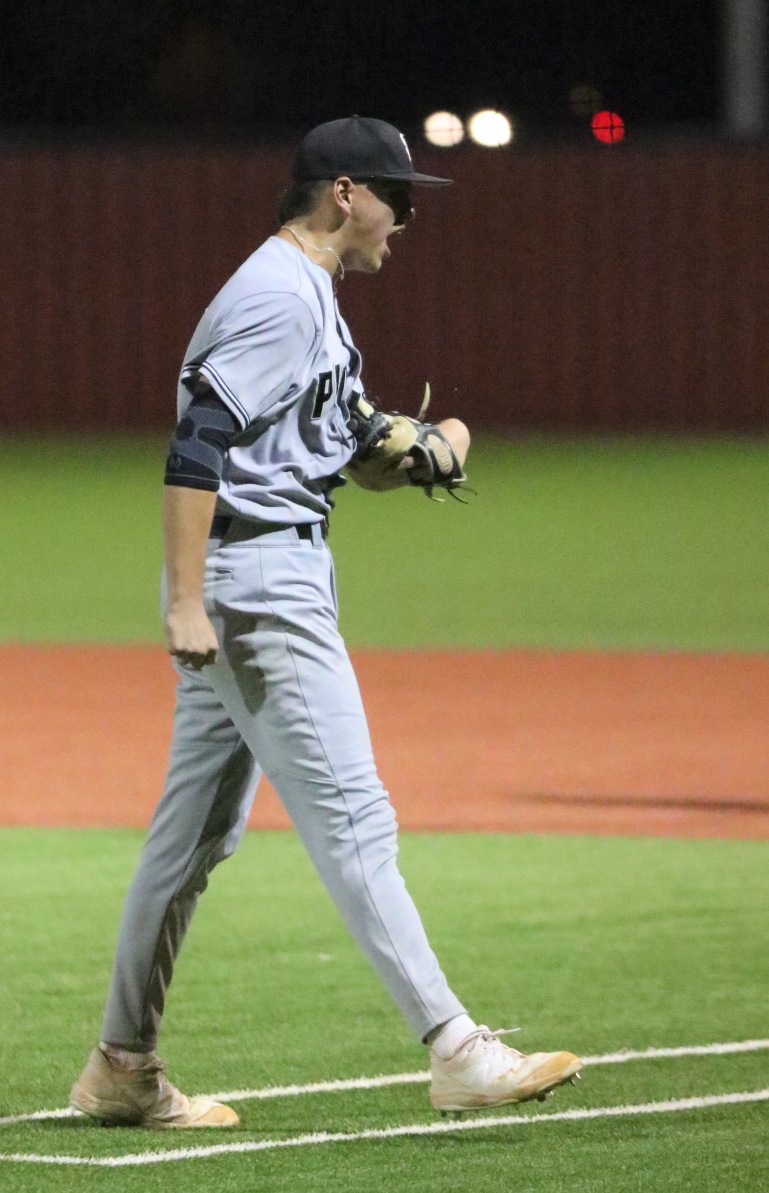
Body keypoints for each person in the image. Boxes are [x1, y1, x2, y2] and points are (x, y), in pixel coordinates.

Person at [70, 116, 581, 1129]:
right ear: (343, 193)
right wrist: (182, 600)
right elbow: (197, 445)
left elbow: (336, 446)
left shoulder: (309, 296)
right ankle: (456, 1048)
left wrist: (421, 450)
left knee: (190, 840)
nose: (408, 217)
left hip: (263, 565)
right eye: (399, 195)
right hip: (258, 580)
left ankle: (121, 1068)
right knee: (353, 817)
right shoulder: (274, 296)